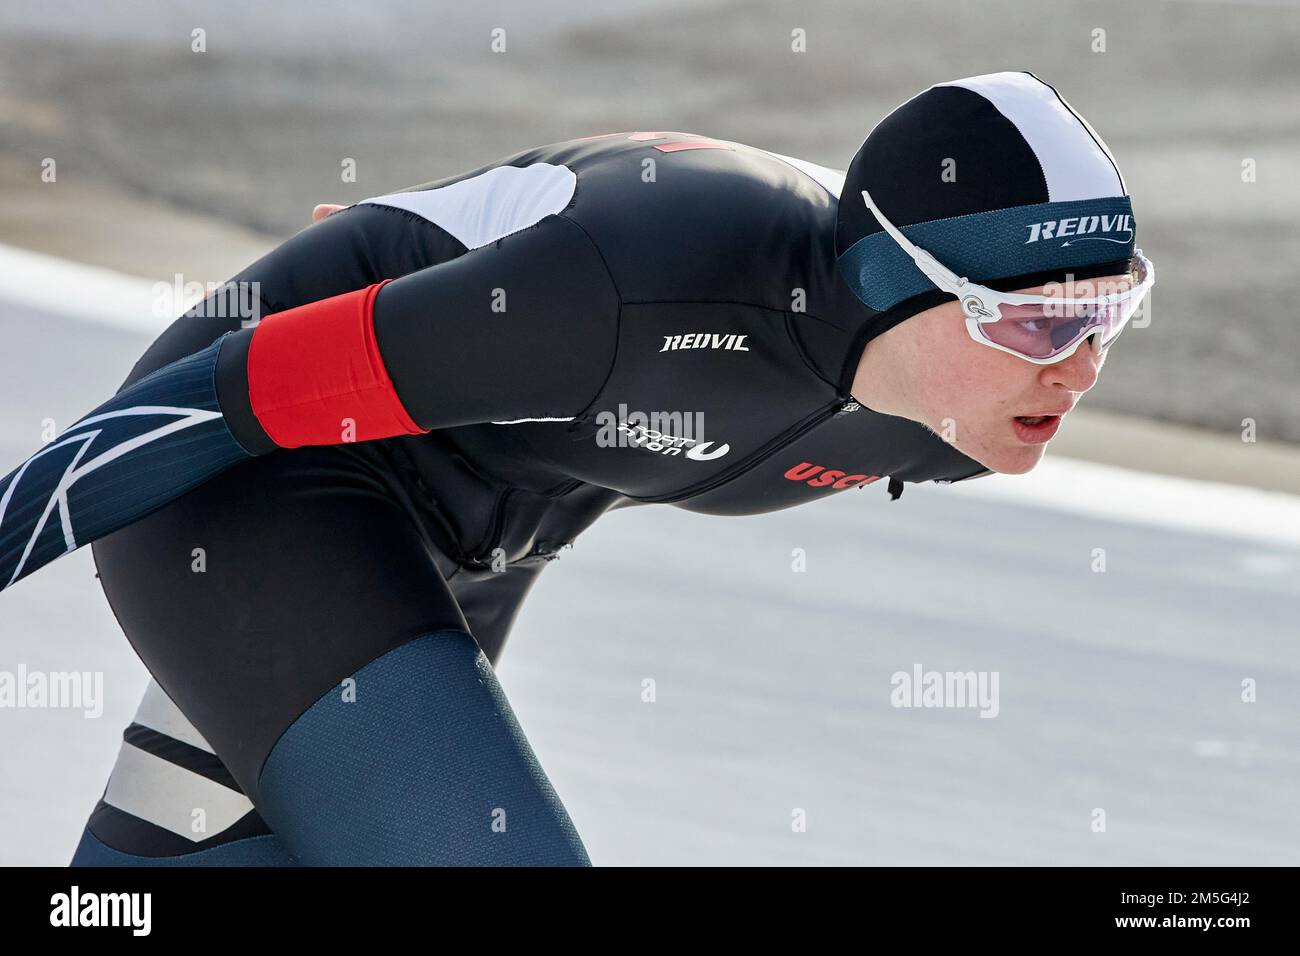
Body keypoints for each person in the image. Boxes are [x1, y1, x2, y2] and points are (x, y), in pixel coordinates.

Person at [0, 70, 1152, 865]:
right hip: (258, 480)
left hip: (457, 556)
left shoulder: (948, 421)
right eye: (1038, 320)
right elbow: (200, 400)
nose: (1083, 366)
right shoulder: (640, 286)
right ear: (894, 284)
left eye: (1112, 311)